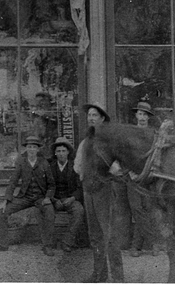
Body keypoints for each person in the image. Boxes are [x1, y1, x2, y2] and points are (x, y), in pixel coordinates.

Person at [74, 103, 125, 283]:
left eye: (95, 115)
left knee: (110, 237)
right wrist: (86, 177)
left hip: (104, 192)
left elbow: (119, 166)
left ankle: (118, 279)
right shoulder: (85, 141)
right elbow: (77, 166)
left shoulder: (110, 140)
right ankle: (99, 275)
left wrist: (108, 171)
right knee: (95, 237)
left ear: (102, 118)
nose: (91, 118)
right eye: (89, 115)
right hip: (89, 192)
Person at [0, 136, 56, 257]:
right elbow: (13, 181)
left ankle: (47, 246)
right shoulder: (21, 162)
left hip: (40, 198)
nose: (31, 150)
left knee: (50, 212)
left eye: (34, 147)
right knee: (2, 212)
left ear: (38, 150)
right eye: (29, 147)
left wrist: (47, 198)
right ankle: (2, 244)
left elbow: (51, 184)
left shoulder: (44, 163)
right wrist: (6, 200)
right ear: (26, 149)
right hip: (25, 197)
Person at [127, 101, 162, 257]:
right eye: (139, 114)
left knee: (148, 209)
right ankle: (154, 242)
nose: (142, 117)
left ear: (148, 117)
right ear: (136, 115)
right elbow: (123, 155)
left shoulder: (153, 135)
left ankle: (136, 246)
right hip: (132, 177)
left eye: (145, 115)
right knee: (137, 209)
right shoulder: (130, 133)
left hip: (148, 177)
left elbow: (156, 156)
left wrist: (149, 173)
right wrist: (129, 172)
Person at [48, 137, 84, 253]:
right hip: (55, 199)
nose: (61, 154)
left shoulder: (75, 166)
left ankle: (67, 241)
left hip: (70, 199)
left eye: (64, 151)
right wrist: (53, 200)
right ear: (55, 153)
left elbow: (80, 187)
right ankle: (50, 242)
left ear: (68, 152)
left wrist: (72, 198)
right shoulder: (50, 167)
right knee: (45, 210)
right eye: (58, 151)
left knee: (79, 211)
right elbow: (45, 187)